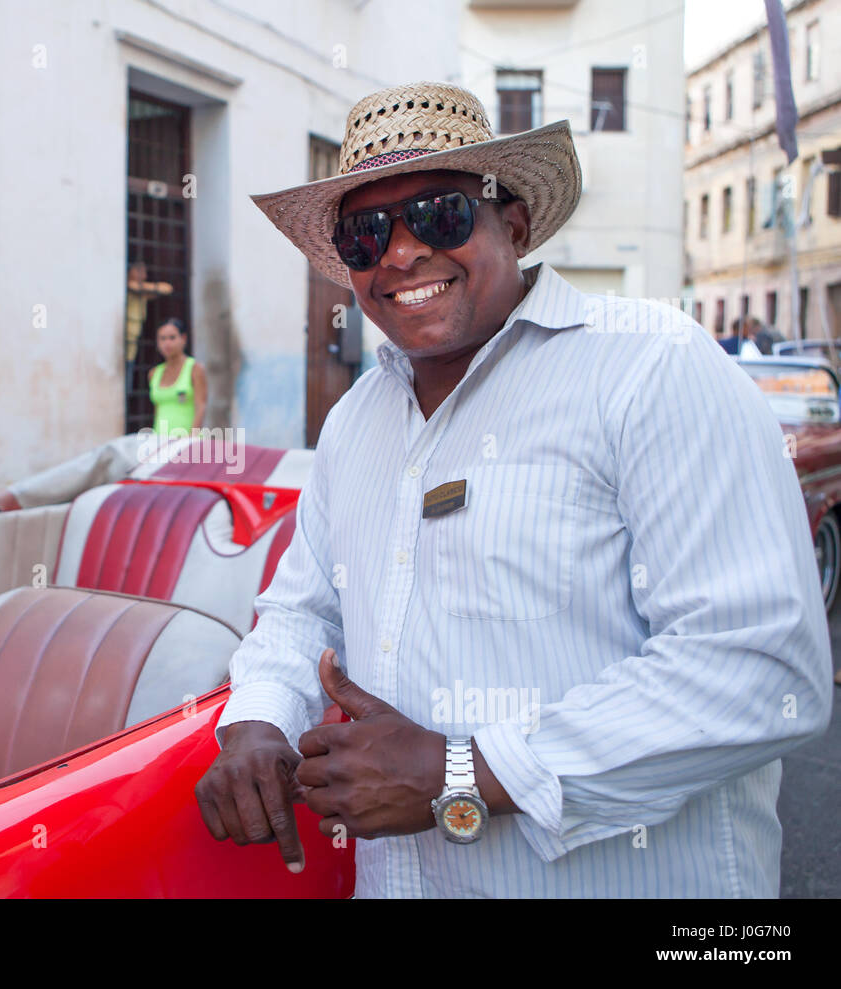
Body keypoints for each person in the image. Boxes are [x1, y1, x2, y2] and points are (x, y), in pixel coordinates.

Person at [193, 81, 832, 897]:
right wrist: (257, 720)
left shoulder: (650, 367)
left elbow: (761, 666)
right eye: (364, 234)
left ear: (515, 224)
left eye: (439, 216)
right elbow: (303, 611)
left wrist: (463, 770)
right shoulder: (356, 421)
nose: (399, 253)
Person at [147, 318, 207, 435]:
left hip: (187, 442)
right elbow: (158, 410)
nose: (167, 343)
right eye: (162, 338)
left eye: (172, 337)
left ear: (183, 338)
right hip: (160, 442)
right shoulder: (154, 373)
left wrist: (191, 439)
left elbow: (201, 406)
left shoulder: (194, 369)